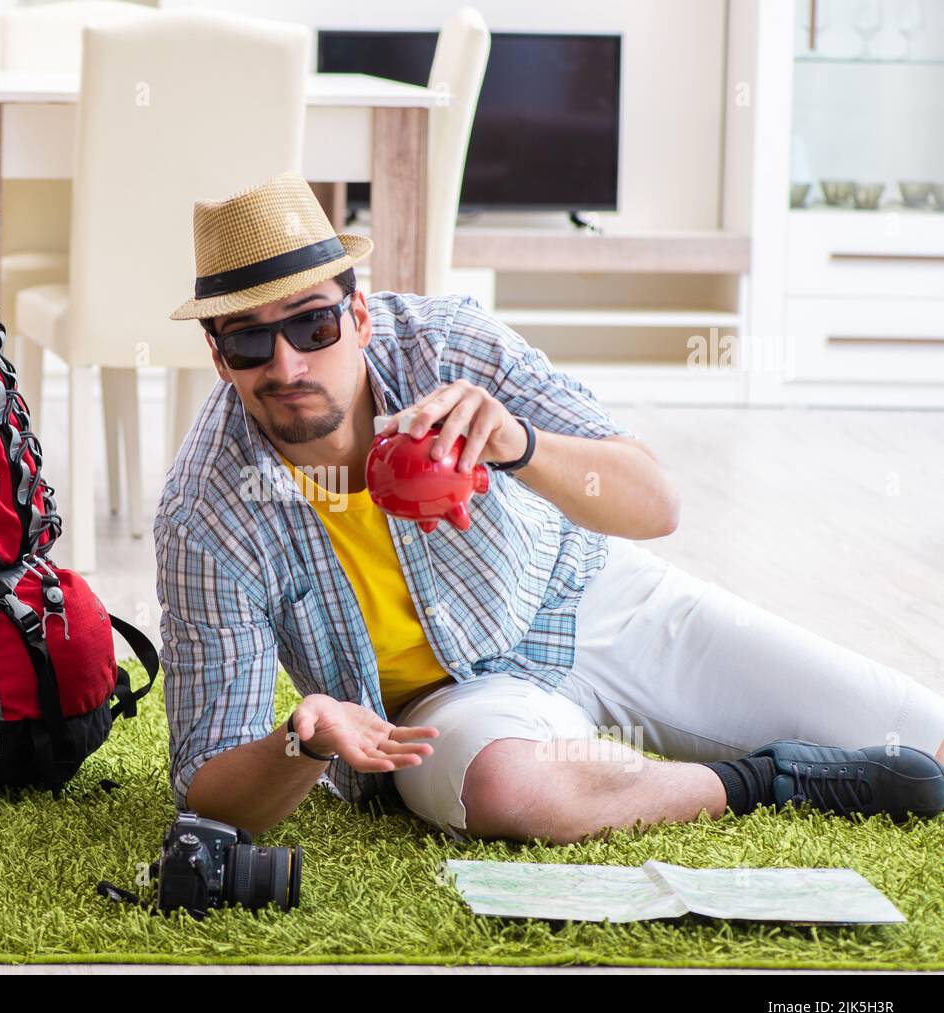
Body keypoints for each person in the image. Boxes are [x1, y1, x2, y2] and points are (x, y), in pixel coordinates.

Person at [154, 171, 944, 842]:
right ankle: (770, 779)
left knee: (923, 732)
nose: (287, 362)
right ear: (218, 356)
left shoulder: (447, 345)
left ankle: (662, 767)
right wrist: (305, 741)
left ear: (359, 317)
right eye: (251, 341)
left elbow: (656, 502)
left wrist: (520, 444)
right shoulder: (206, 512)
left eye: (313, 323)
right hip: (451, 707)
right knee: (513, 790)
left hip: (594, 600)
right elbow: (209, 785)